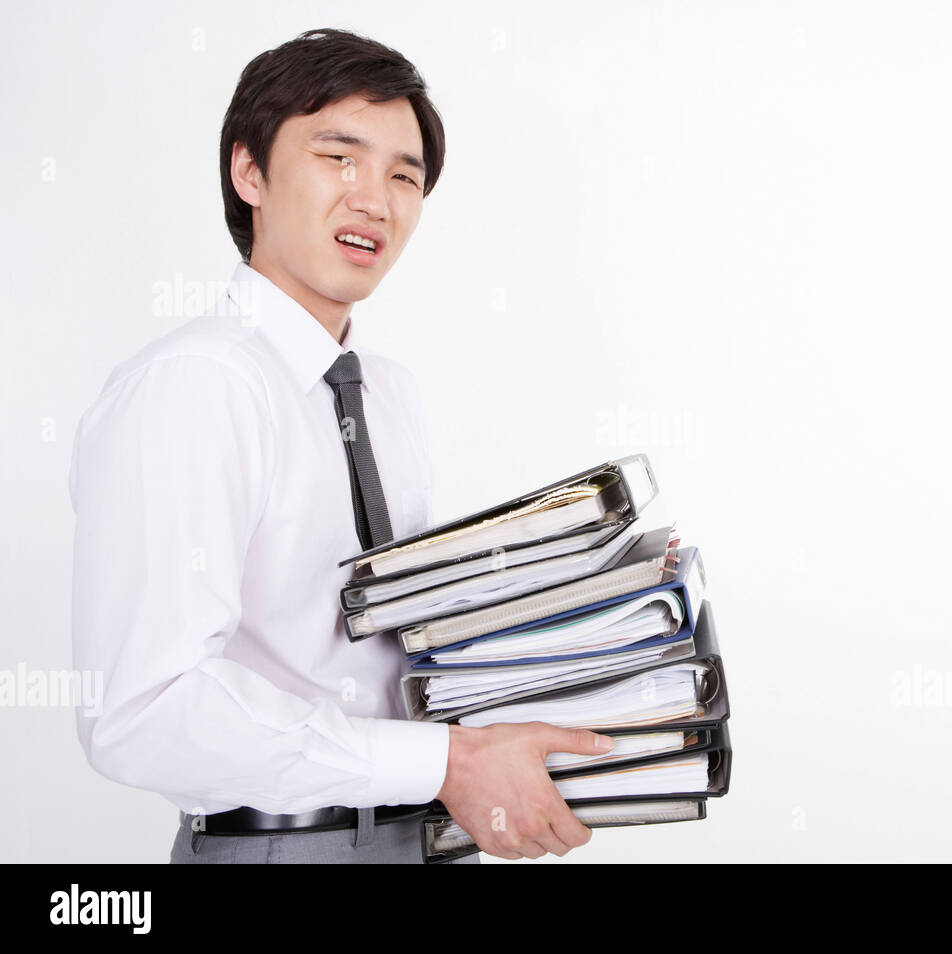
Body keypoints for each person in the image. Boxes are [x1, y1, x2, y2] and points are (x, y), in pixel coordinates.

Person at [67, 27, 612, 864]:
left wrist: (588, 606)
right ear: (249, 172)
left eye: (405, 175)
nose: (376, 200)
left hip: (416, 837)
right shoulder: (195, 383)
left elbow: (379, 654)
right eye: (339, 158)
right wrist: (439, 762)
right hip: (281, 848)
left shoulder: (385, 391)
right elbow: (146, 709)